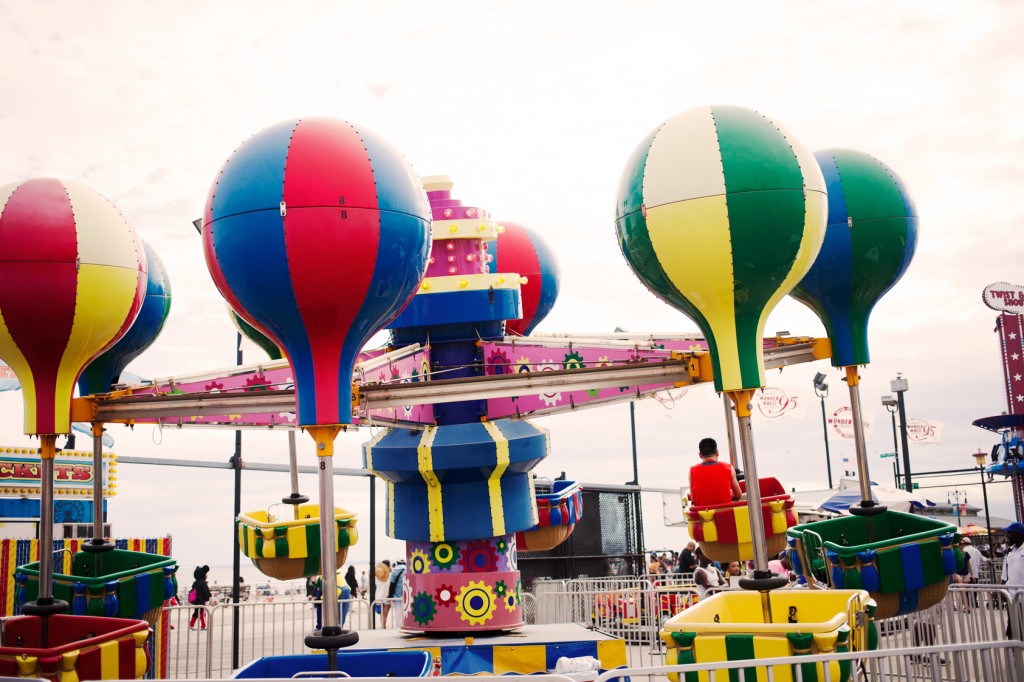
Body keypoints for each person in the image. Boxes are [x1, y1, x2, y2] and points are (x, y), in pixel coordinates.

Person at [688, 438, 742, 507]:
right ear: (717, 453)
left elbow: (693, 499)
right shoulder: (728, 468)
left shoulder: (692, 471)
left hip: (702, 515)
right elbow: (738, 495)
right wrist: (729, 492)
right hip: (725, 513)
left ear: (700, 455)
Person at [1001, 522, 1024, 638]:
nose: (1007, 536)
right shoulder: (1009, 552)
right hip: (1012, 596)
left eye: (1010, 533)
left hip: (1022, 595)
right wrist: (1001, 590)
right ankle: (1015, 651)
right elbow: (1005, 576)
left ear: (1018, 534)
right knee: (1013, 625)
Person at [383, 559, 406, 628]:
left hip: (397, 597)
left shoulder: (395, 571)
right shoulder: (408, 569)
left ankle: (398, 628)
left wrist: (390, 596)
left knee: (398, 615)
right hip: (407, 596)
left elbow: (392, 585)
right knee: (405, 614)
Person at [188, 565, 212, 631]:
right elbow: (205, 591)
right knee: (202, 613)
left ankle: (191, 624)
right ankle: (203, 626)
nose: (207, 575)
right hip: (201, 600)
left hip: (196, 600)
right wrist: (208, 597)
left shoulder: (195, 582)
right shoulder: (203, 583)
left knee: (196, 612)